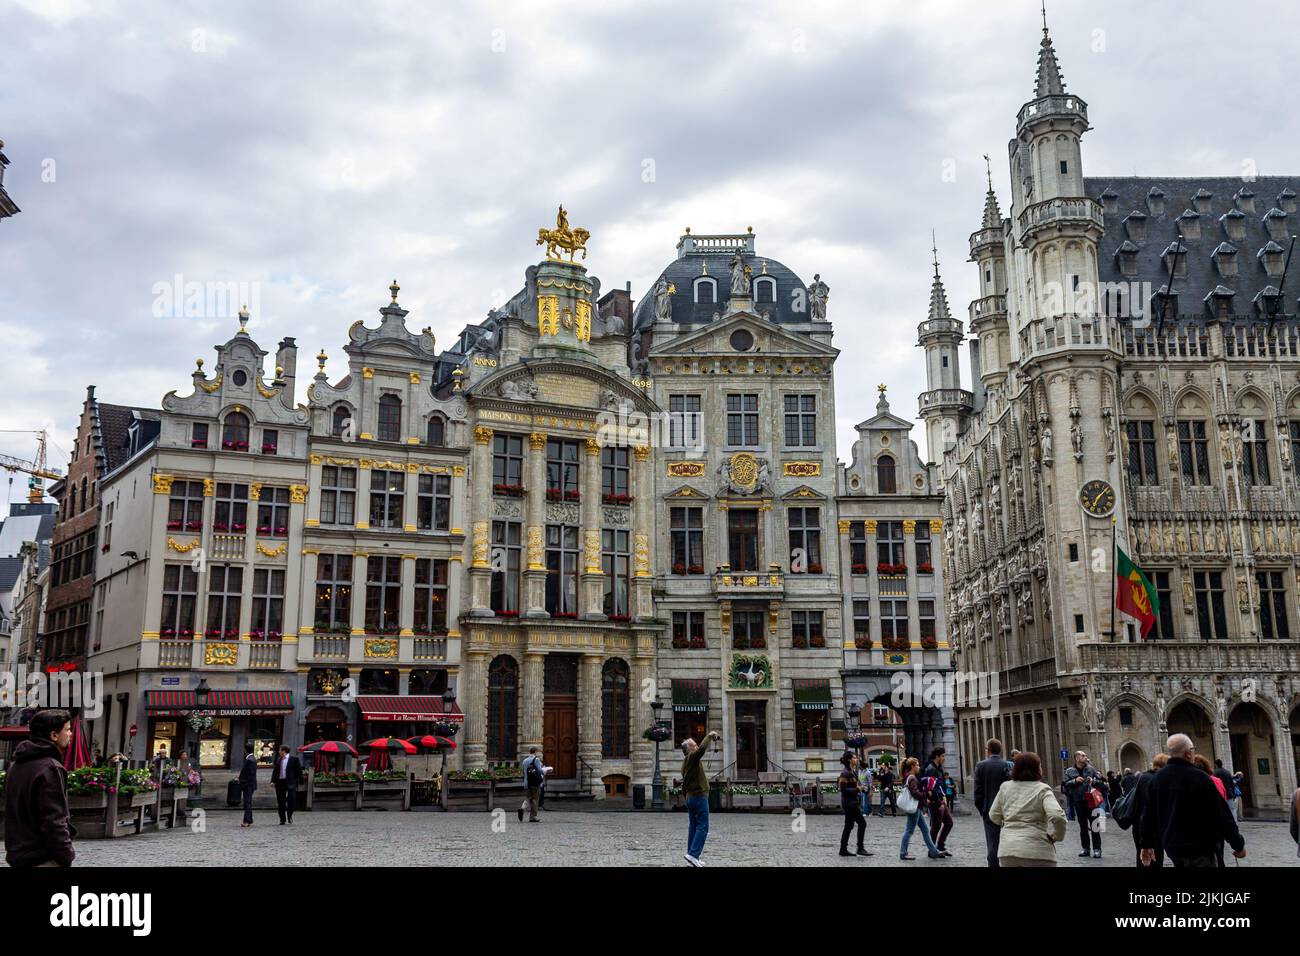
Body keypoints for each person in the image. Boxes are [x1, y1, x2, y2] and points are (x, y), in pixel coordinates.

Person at [1140, 734, 1245, 868]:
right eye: (1193, 749)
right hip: (1201, 849)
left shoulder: (1157, 779)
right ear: (1188, 753)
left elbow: (1148, 816)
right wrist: (1238, 845)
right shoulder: (1200, 778)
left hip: (1173, 848)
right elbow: (1222, 815)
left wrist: (1146, 844)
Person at [3, 709, 76, 868]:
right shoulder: (50, 768)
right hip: (42, 858)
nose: (70, 734)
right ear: (54, 735)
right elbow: (54, 820)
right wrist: (66, 855)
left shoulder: (15, 766)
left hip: (18, 856)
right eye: (68, 729)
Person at [988, 752, 1066, 867]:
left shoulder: (1005, 787)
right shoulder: (1043, 789)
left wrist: (1008, 823)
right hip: (1037, 851)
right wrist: (1056, 836)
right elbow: (1058, 816)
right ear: (1037, 769)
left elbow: (994, 814)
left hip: (1009, 850)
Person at [681, 731, 719, 866]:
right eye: (694, 745)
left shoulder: (686, 763)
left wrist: (686, 797)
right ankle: (693, 854)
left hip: (691, 798)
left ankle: (691, 856)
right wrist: (709, 736)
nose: (697, 747)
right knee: (703, 827)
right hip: (699, 797)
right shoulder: (692, 758)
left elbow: (684, 784)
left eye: (696, 745)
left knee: (693, 827)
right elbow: (702, 749)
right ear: (689, 750)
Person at [973, 738, 1013, 867]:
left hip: (989, 810)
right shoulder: (1007, 765)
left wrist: (982, 809)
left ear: (988, 750)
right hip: (1007, 810)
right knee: (1008, 841)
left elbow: (978, 791)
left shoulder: (981, 766)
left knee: (992, 843)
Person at [1125, 754, 1168, 867]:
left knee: (1143, 858)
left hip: (1139, 826)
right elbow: (1150, 806)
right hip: (1150, 827)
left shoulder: (1144, 776)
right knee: (1154, 859)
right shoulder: (1156, 779)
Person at [898, 757, 943, 861]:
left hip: (916, 808)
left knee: (925, 830)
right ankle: (903, 853)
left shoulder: (909, 777)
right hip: (914, 808)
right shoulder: (912, 777)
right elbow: (915, 793)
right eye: (917, 765)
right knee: (909, 831)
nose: (919, 767)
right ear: (913, 766)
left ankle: (934, 851)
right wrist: (927, 794)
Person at [1062, 750, 1103, 858]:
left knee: (1095, 826)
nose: (1085, 757)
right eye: (1083, 755)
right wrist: (1075, 781)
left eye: (1085, 755)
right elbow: (1065, 785)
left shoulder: (1091, 769)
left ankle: (1097, 849)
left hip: (1092, 802)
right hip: (1079, 801)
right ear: (1077, 758)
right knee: (1083, 827)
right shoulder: (1069, 771)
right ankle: (1085, 848)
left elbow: (1101, 782)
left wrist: (1093, 782)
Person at [837, 752, 871, 857]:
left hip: (852, 802)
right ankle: (859, 848)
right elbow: (843, 789)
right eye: (854, 758)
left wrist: (863, 789)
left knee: (849, 825)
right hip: (850, 803)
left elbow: (856, 786)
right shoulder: (845, 773)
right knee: (862, 823)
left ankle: (843, 849)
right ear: (849, 760)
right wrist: (857, 789)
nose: (856, 759)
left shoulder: (853, 772)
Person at [921, 748, 953, 855]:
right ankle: (932, 850)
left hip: (941, 800)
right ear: (937, 756)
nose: (944, 758)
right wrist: (938, 803)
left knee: (948, 823)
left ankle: (940, 845)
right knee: (936, 826)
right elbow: (931, 788)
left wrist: (944, 796)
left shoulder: (939, 768)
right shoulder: (931, 769)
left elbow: (940, 784)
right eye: (943, 756)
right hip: (935, 802)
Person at [270, 745, 302, 825]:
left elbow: (299, 771)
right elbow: (275, 771)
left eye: (280, 750)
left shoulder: (294, 759)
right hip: (280, 782)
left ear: (284, 751)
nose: (279, 752)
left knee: (291, 800)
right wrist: (272, 781)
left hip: (291, 782)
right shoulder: (278, 759)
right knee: (281, 802)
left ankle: (289, 815)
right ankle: (282, 819)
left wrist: (300, 782)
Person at [518, 747, 545, 823]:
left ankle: (522, 808)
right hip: (535, 783)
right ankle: (532, 817)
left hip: (527, 783)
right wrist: (545, 770)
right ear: (535, 752)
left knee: (528, 797)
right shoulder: (536, 760)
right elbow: (540, 771)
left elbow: (523, 771)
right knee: (535, 799)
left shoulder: (525, 760)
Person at [238, 748, 258, 827]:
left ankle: (246, 820)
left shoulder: (250, 760)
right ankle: (249, 819)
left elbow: (250, 774)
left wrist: (243, 782)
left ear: (245, 751)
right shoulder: (251, 759)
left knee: (247, 803)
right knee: (247, 802)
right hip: (249, 784)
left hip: (248, 785)